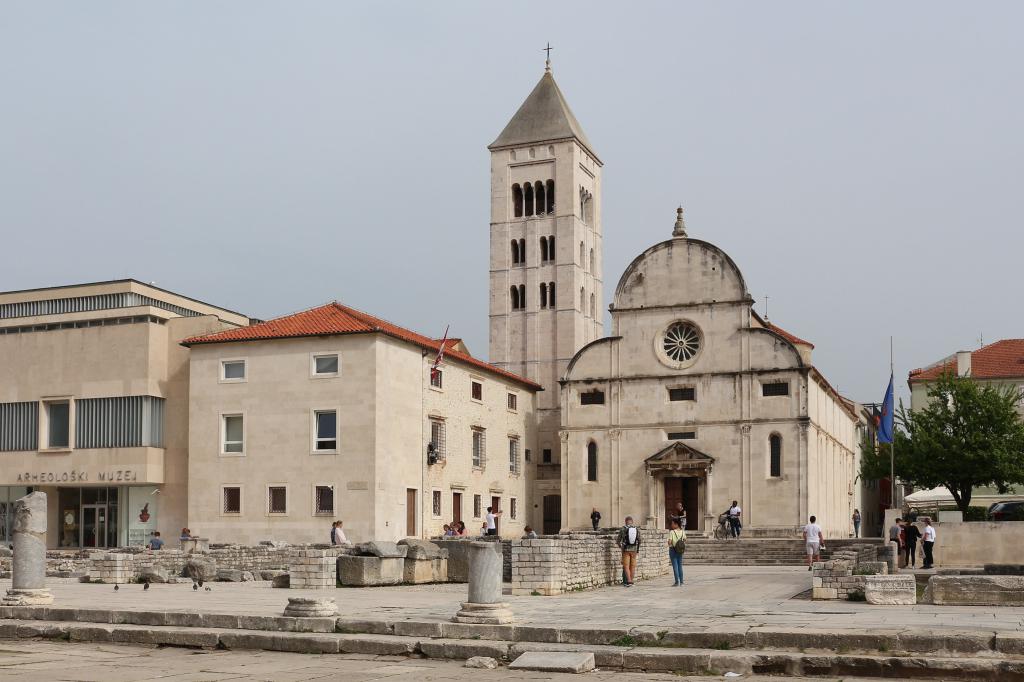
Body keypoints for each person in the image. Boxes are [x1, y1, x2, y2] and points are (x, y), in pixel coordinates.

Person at [617, 516, 641, 587]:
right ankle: (632, 581)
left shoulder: (623, 529)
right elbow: (640, 540)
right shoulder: (636, 529)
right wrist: (637, 549)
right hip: (634, 550)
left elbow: (618, 540)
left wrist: (621, 547)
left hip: (626, 550)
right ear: (632, 521)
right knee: (633, 566)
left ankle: (629, 581)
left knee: (626, 566)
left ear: (625, 521)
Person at [667, 518, 686, 586]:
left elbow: (669, 542)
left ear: (676, 524)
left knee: (675, 566)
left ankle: (676, 582)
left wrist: (670, 542)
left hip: (673, 549)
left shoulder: (672, 532)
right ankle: (681, 582)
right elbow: (684, 539)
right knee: (680, 566)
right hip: (680, 550)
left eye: (672, 523)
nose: (671, 525)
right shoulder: (682, 531)